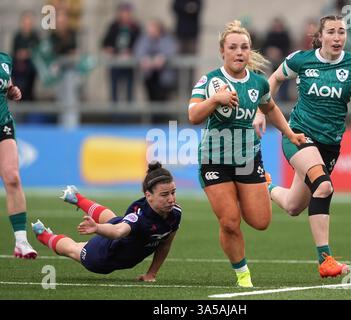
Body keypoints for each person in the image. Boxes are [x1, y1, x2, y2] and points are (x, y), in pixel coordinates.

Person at [253, 15, 351, 278]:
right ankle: (325, 260)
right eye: (332, 32)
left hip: (330, 145)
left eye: (342, 32)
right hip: (299, 135)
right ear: (320, 36)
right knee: (324, 187)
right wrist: (260, 110)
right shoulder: (301, 60)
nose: (337, 37)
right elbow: (275, 79)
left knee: (292, 206)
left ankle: (263, 184)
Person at [188, 20, 305, 287]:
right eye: (233, 47)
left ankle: (265, 183)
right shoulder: (209, 81)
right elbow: (193, 115)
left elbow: (271, 108)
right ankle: (243, 274)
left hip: (248, 160)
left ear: (249, 51)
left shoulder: (259, 83)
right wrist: (215, 100)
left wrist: (289, 134)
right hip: (214, 160)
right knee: (230, 221)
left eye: (244, 47)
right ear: (223, 51)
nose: (239, 52)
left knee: (261, 222)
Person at [32, 162, 181, 280]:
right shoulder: (138, 219)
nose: (171, 199)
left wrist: (151, 274)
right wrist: (96, 228)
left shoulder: (175, 212)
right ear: (148, 196)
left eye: (173, 192)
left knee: (113, 219)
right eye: (164, 195)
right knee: (74, 248)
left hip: (122, 234)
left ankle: (77, 198)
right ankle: (44, 236)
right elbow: (117, 231)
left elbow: (165, 244)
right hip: (105, 255)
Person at [0, 52, 37, 259]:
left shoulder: (4, 60)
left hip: (3, 124)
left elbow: (7, 86)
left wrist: (13, 91)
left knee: (12, 177)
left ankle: (21, 242)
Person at [102, 2, 141, 103]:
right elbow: (105, 42)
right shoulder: (114, 26)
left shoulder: (135, 27)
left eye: (127, 12)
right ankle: (115, 116)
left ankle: (129, 116)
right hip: (116, 62)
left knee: (129, 90)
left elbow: (140, 43)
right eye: (123, 12)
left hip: (129, 63)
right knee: (114, 90)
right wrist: (110, 49)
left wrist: (132, 51)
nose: (126, 15)